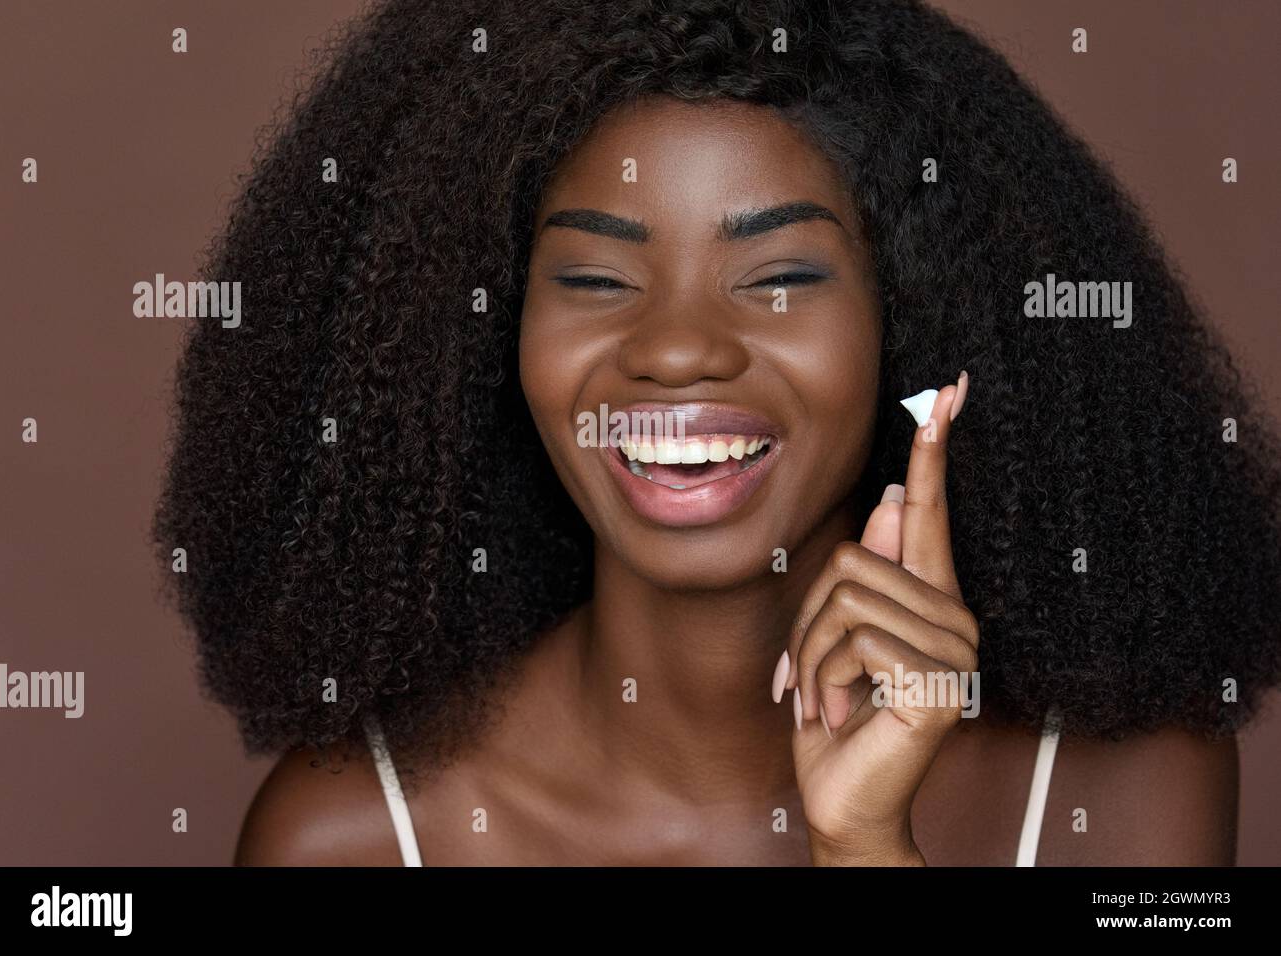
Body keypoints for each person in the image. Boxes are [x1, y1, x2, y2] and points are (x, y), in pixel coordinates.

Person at [153, 0, 1281, 866]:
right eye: (595, 276)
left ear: (915, 322)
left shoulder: (1128, 789)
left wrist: (865, 846)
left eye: (779, 275)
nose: (678, 347)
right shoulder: (349, 837)